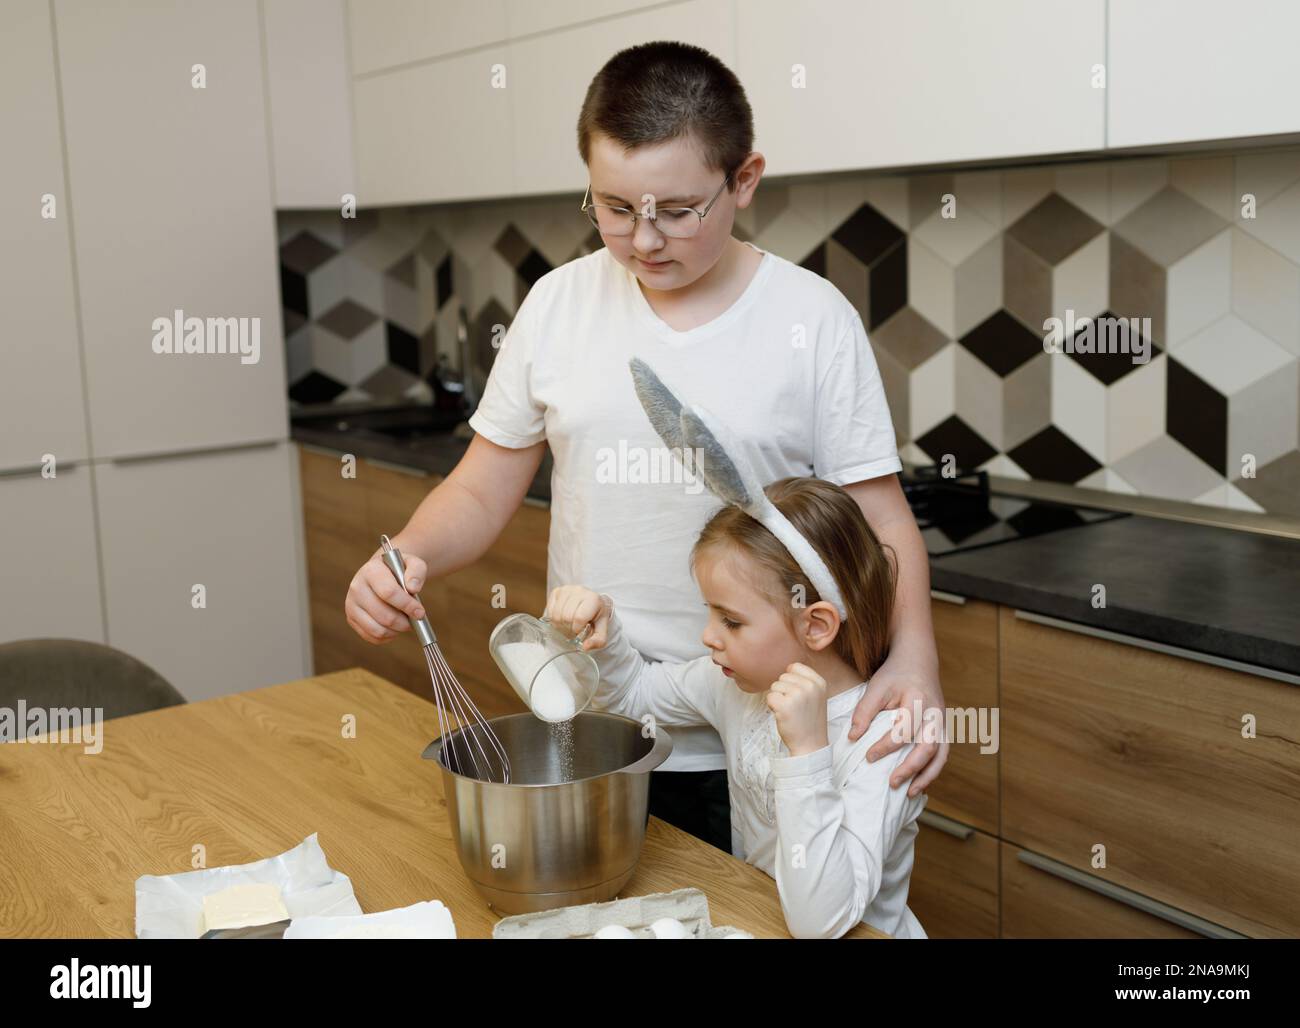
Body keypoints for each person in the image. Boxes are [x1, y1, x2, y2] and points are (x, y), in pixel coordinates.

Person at [344, 41, 947, 852]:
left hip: (761, 732)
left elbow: (881, 524)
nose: (644, 239)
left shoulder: (812, 318)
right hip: (593, 720)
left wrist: (915, 661)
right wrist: (408, 555)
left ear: (745, 179)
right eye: (615, 208)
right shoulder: (558, 304)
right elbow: (483, 488)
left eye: (678, 209)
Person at [545, 475, 927, 938]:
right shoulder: (739, 684)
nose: (708, 636)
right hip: (760, 918)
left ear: (817, 624)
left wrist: (808, 753)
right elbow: (632, 697)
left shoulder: (884, 738)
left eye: (731, 620)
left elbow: (821, 924)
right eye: (709, 612)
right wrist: (602, 631)